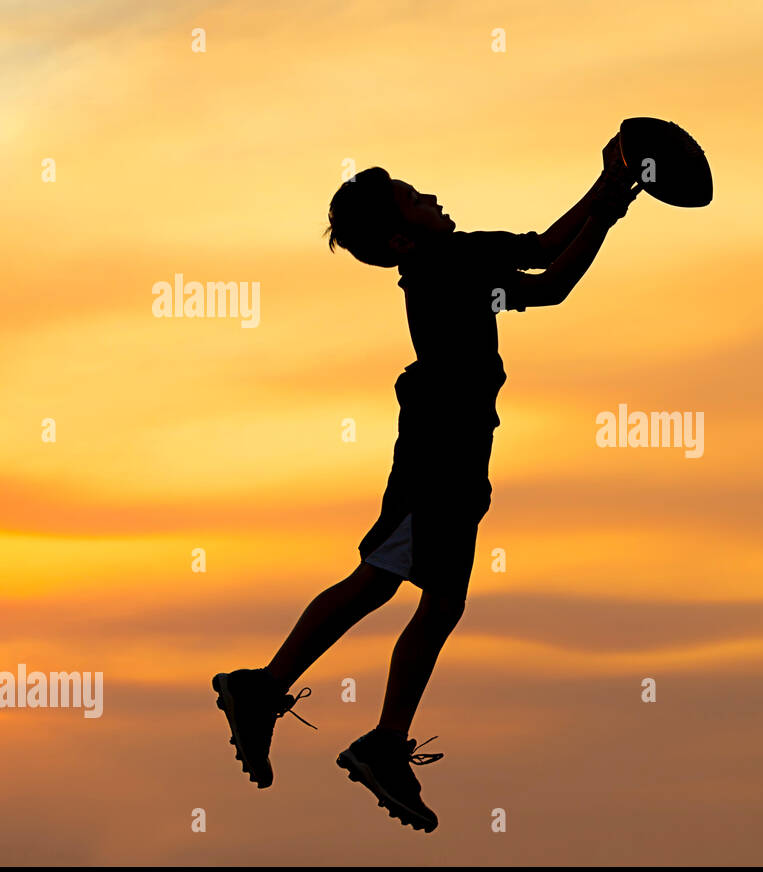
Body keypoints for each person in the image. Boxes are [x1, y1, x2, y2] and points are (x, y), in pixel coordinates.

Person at [212, 134, 639, 832]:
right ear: (400, 237)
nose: (431, 197)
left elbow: (546, 284)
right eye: (413, 197)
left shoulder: (447, 271)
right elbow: (544, 254)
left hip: (454, 444)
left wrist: (608, 205)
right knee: (410, 590)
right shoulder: (452, 257)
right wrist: (606, 194)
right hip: (443, 448)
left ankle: (291, 701)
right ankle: (308, 709)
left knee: (408, 591)